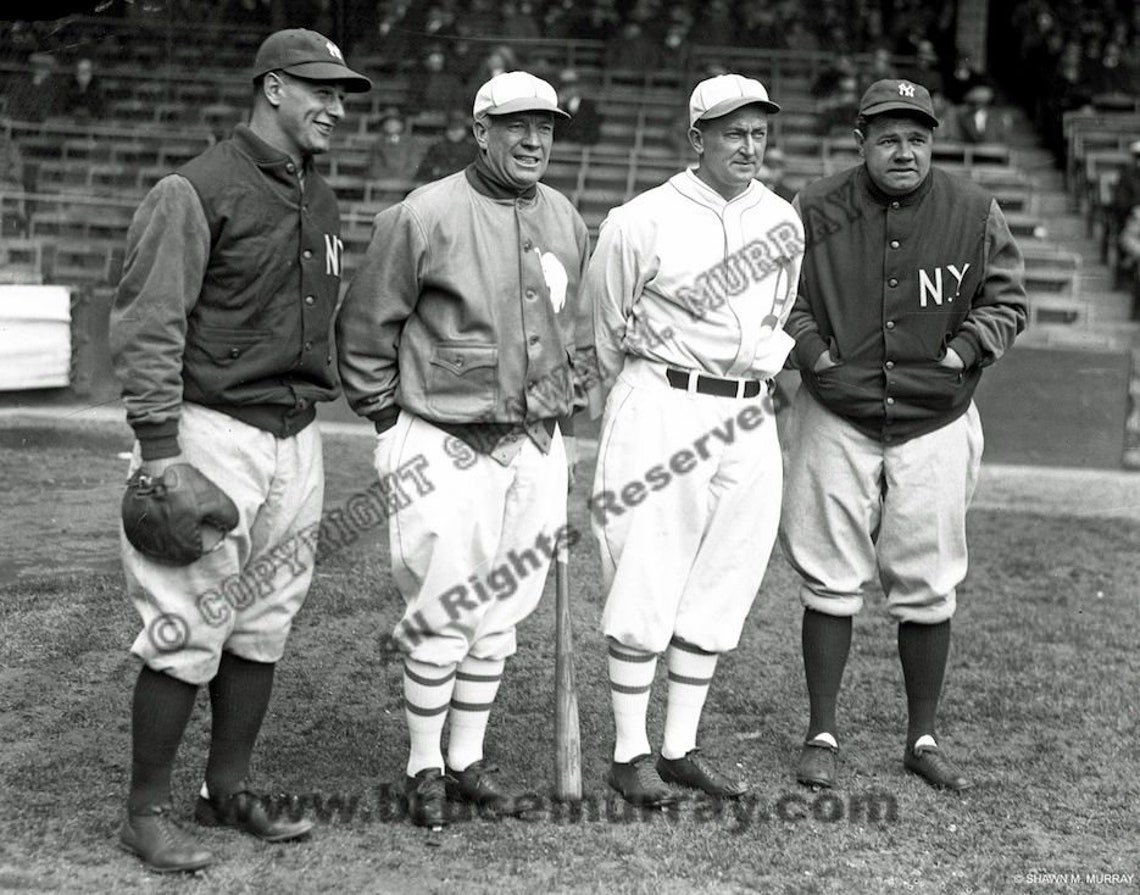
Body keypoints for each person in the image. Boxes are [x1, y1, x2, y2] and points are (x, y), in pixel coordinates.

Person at [109, 28, 370, 872]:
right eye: (320, 90)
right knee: (187, 619)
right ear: (271, 88)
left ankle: (227, 786)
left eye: (341, 94)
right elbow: (149, 320)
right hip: (210, 429)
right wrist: (159, 451)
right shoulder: (196, 189)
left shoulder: (320, 198)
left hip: (296, 433)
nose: (336, 107)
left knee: (262, 622)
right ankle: (144, 810)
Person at [336, 71, 594, 829]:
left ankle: (466, 758)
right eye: (517, 124)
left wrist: (562, 434)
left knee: (503, 613)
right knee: (444, 605)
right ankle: (423, 763)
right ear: (480, 130)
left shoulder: (565, 216)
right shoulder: (423, 213)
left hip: (535, 441)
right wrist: (388, 427)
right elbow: (365, 331)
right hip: (445, 439)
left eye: (546, 126)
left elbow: (571, 336)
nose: (534, 139)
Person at [781, 79, 1027, 794]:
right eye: (888, 137)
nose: (904, 150)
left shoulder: (974, 209)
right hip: (837, 411)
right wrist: (814, 354)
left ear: (932, 142)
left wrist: (964, 351)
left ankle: (921, 734)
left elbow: (1007, 298)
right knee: (829, 573)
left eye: (917, 137)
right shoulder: (815, 206)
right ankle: (821, 730)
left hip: (936, 417)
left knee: (928, 579)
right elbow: (782, 296)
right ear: (860, 139)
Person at [585, 74, 805, 807]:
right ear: (696, 137)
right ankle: (628, 750)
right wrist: (642, 393)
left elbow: (778, 319)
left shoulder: (784, 221)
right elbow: (606, 330)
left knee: (724, 577)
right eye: (732, 132)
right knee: (647, 569)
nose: (748, 145)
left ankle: (679, 746)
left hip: (747, 413)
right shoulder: (638, 220)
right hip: (663, 398)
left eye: (758, 132)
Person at [413, 109, 477, 182]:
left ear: (465, 131)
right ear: (447, 130)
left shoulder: (472, 149)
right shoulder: (437, 148)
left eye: (459, 129)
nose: (455, 132)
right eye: (452, 129)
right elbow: (424, 170)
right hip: (440, 183)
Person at [366, 106, 422, 183]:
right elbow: (375, 168)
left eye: (395, 122)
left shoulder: (411, 143)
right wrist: (386, 180)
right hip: (382, 183)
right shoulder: (378, 144)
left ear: (401, 125)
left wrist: (400, 179)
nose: (391, 125)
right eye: (388, 122)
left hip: (405, 183)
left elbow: (413, 167)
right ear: (383, 125)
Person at [555, 69, 602, 145]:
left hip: (582, 151)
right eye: (564, 86)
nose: (568, 89)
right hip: (560, 150)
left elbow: (593, 133)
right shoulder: (557, 106)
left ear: (577, 87)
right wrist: (559, 107)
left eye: (571, 85)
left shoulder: (589, 107)